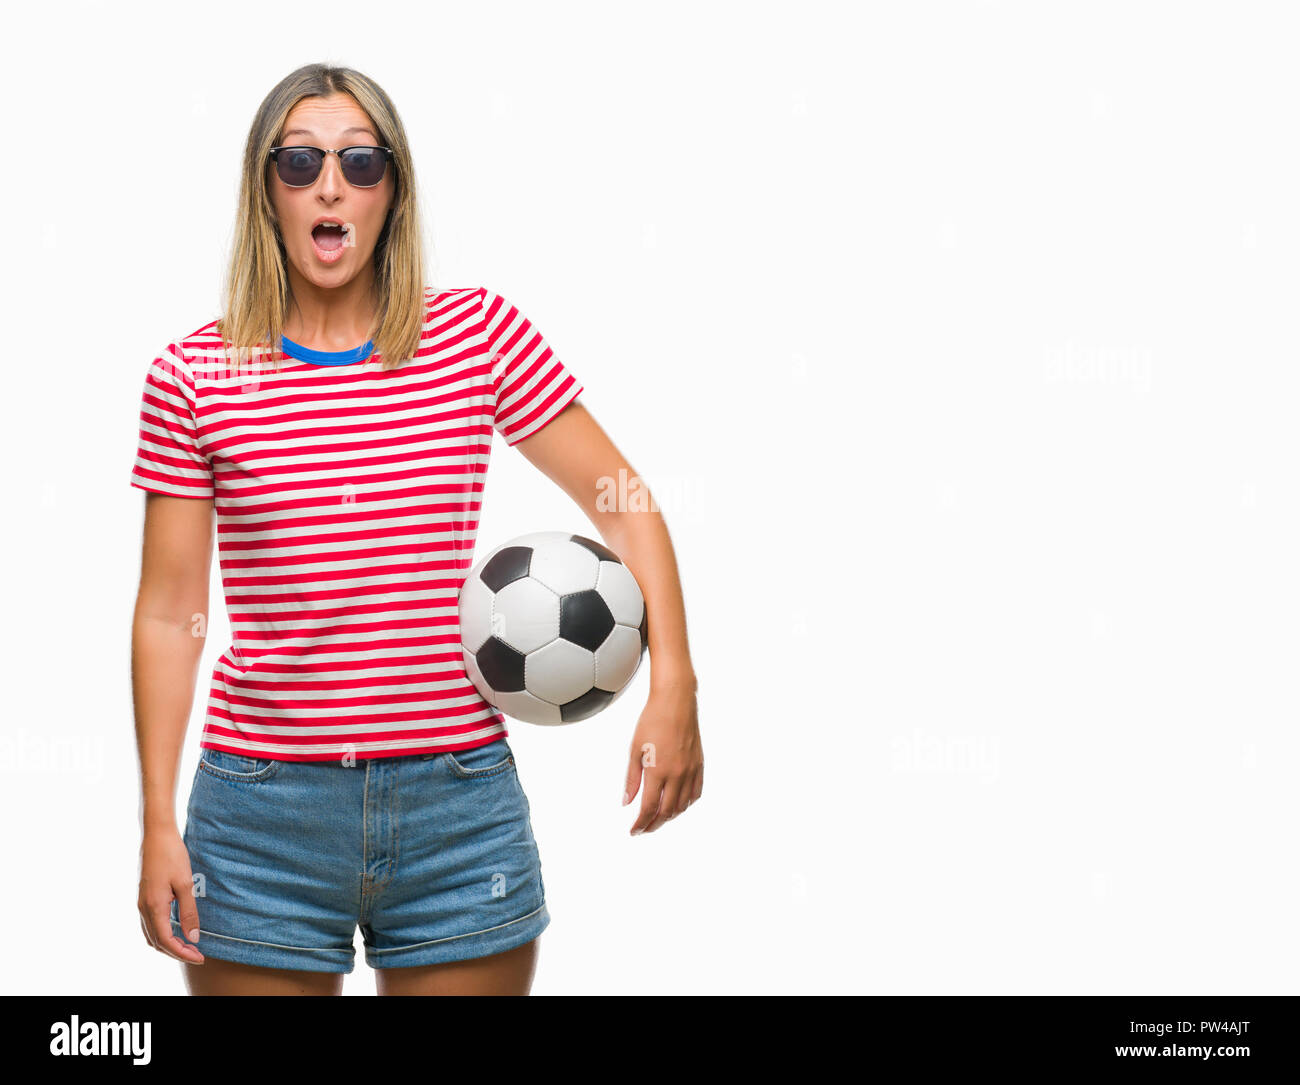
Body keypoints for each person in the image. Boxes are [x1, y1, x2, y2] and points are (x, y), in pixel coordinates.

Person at [130, 63, 702, 996]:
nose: (330, 184)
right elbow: (168, 613)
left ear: (392, 191)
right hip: (259, 812)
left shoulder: (474, 337)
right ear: (263, 188)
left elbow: (622, 498)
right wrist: (158, 817)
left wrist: (673, 674)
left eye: (361, 161)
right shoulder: (195, 375)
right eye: (300, 161)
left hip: (457, 809)